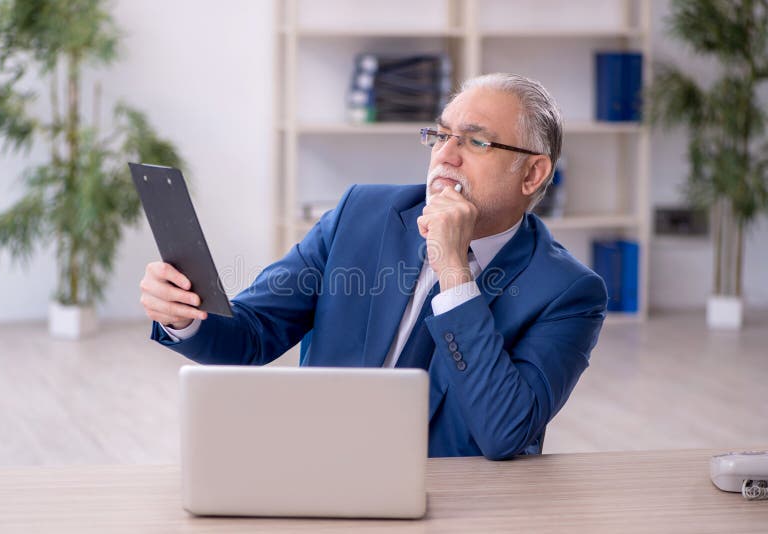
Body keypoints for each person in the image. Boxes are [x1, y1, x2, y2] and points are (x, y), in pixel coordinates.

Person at [139, 73, 607, 460]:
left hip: (455, 503)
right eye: (441, 135)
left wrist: (453, 272)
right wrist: (183, 315)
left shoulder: (569, 293)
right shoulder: (360, 213)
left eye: (477, 142)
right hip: (317, 474)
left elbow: (505, 432)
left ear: (532, 174)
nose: (445, 154)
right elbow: (253, 333)